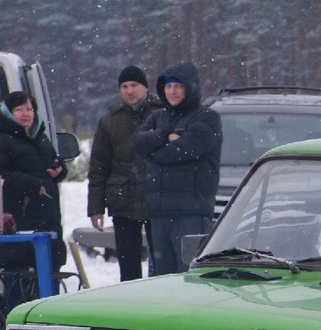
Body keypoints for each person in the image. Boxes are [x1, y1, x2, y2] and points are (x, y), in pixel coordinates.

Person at [0, 90, 67, 317]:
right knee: (18, 277)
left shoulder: (40, 137)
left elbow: (52, 165)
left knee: (48, 275)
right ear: (9, 112)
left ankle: (47, 324)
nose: (25, 113)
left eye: (29, 109)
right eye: (19, 109)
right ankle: (17, 325)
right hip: (17, 217)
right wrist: (32, 185)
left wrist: (59, 169)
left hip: (46, 217)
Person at [132, 62, 222, 275]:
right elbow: (138, 143)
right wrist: (165, 136)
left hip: (191, 213)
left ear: (190, 88)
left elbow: (183, 150)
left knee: (190, 276)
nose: (172, 91)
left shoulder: (207, 117)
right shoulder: (158, 117)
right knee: (161, 279)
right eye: (168, 86)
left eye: (178, 86)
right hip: (159, 214)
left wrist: (153, 151)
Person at [86, 65, 161, 281]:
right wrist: (96, 208)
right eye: (124, 86)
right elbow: (98, 167)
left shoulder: (162, 114)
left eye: (134, 85)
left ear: (145, 87)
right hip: (123, 199)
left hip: (157, 198)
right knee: (128, 264)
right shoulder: (109, 120)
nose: (129, 91)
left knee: (162, 262)